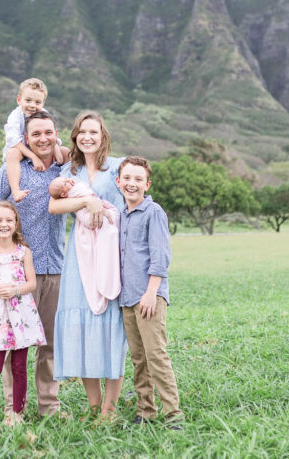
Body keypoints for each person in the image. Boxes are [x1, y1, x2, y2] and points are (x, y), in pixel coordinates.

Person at [0, 110, 66, 417]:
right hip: (19, 272)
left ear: (56, 134)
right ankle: (14, 409)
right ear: (25, 138)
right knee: (15, 343)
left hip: (56, 266)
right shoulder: (13, 169)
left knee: (49, 343)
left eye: (48, 132)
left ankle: (49, 406)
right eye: (35, 134)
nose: (43, 139)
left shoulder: (65, 168)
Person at [48, 111, 128, 419]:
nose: (87, 137)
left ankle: (110, 408)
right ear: (75, 137)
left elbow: (132, 200)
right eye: (82, 132)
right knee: (81, 327)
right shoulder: (69, 170)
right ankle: (94, 406)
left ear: (103, 135)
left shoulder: (118, 167)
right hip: (79, 257)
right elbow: (54, 205)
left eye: (93, 132)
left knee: (111, 329)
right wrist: (85, 201)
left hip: (111, 253)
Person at [116, 156, 184, 427]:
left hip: (148, 296)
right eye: (127, 178)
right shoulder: (121, 214)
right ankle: (145, 411)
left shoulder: (153, 212)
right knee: (138, 358)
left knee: (155, 354)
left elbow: (160, 256)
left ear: (147, 184)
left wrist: (150, 293)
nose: (132, 184)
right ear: (118, 182)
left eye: (138, 179)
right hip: (127, 297)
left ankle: (173, 413)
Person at [0, 201, 46, 432]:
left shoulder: (23, 252)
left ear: (15, 224)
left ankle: (17, 414)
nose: (4, 224)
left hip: (21, 313)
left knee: (19, 367)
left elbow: (31, 283)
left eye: (9, 220)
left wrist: (15, 290)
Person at [48, 177, 121, 315]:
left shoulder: (115, 169)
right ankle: (101, 291)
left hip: (110, 228)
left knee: (107, 256)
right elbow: (53, 207)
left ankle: (110, 283)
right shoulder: (67, 172)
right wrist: (87, 201)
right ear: (63, 193)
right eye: (65, 183)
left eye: (67, 181)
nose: (69, 181)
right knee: (89, 275)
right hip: (84, 235)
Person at [2, 79, 70, 202]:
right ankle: (15, 190)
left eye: (37, 102)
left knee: (64, 152)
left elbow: (50, 133)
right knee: (12, 154)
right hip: (20, 147)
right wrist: (33, 157)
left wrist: (56, 148)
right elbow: (13, 140)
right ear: (19, 100)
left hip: (39, 146)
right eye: (28, 100)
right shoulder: (15, 116)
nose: (32, 105)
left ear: (43, 103)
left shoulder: (43, 113)